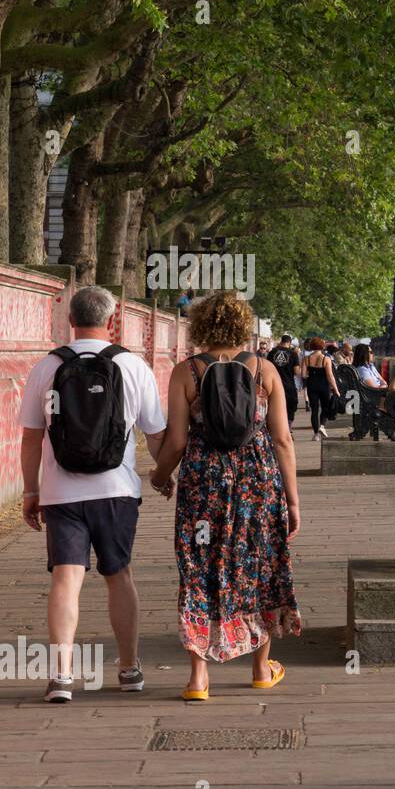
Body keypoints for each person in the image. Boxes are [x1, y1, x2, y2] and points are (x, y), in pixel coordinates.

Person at [149, 293, 301, 701]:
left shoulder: (186, 372)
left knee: (199, 567)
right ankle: (260, 668)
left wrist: (159, 475)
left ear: (200, 327)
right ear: (242, 327)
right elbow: (283, 439)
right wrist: (292, 500)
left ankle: (199, 678)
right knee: (259, 564)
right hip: (257, 481)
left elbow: (177, 440)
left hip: (204, 483)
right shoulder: (264, 369)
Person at [20, 286, 167, 703]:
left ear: (70, 320)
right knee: (118, 575)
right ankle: (129, 669)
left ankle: (62, 676)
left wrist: (31, 491)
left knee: (67, 578)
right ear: (112, 321)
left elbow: (32, 438)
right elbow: (155, 435)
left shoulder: (46, 367)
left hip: (60, 491)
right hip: (117, 490)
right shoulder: (132, 366)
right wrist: (164, 474)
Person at [299, 338, 340, 439]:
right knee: (325, 407)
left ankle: (316, 434)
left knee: (314, 410)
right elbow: (330, 376)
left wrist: (311, 374)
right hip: (324, 386)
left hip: (311, 386)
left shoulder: (306, 359)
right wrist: (336, 389)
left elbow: (303, 375)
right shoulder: (326, 359)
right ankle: (322, 426)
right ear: (322, 346)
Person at [267, 335, 299, 425]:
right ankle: (288, 428)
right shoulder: (293, 354)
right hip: (289, 384)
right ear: (289, 342)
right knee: (290, 407)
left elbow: (268, 368)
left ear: (281, 341)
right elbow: (296, 372)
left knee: (275, 407)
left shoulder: (272, 353)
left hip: (274, 384)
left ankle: (277, 426)